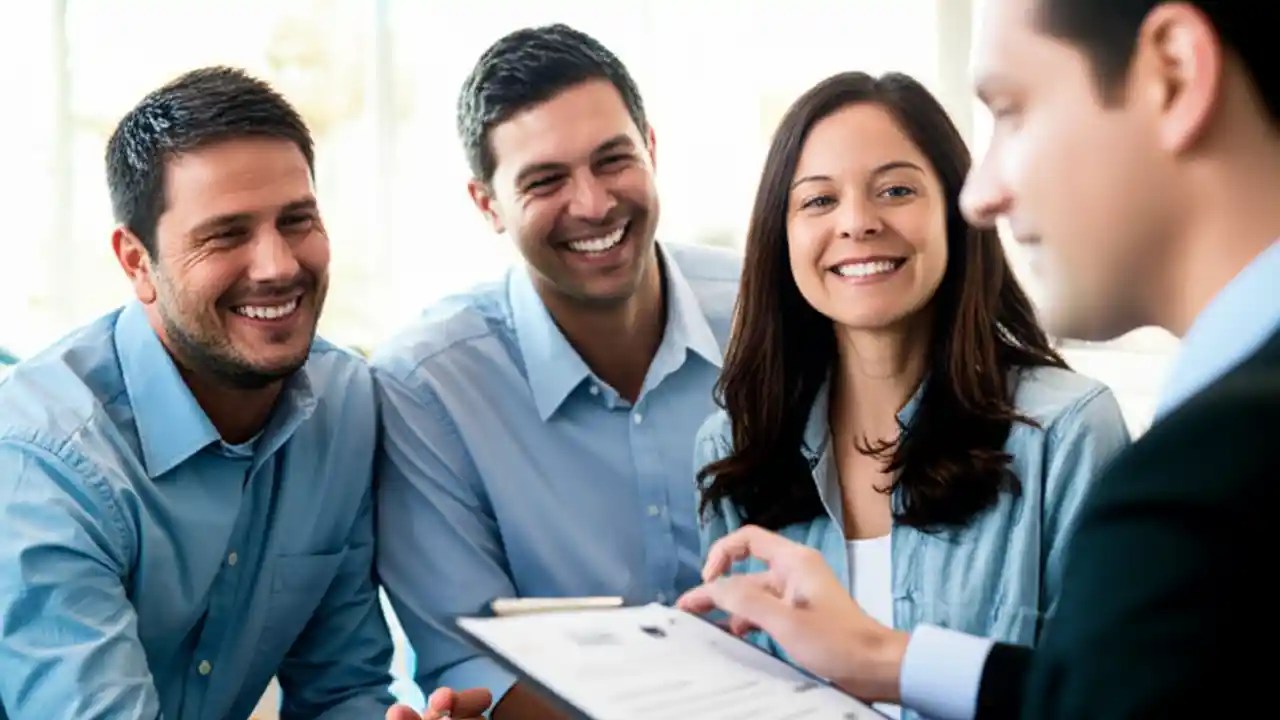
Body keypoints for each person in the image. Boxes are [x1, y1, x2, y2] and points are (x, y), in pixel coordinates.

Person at [678, 0, 1280, 718]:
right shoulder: (732, 448)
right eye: (817, 201)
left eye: (1013, 111)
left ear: (1176, 75)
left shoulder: (1133, 450)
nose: (984, 194)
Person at [0, 66, 486, 720]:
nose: (279, 265)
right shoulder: (41, 465)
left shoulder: (343, 405)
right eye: (226, 234)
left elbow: (342, 691)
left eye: (297, 221)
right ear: (137, 262)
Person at [693, 70, 1130, 719]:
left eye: (896, 190)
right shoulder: (736, 445)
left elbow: (1108, 695)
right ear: (779, 238)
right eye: (818, 201)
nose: (858, 223)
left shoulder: (1067, 430)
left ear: (960, 211)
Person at [373, 23, 741, 720]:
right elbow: (468, 659)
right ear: (488, 205)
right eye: (546, 181)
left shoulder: (771, 313)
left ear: (652, 150)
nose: (594, 203)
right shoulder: (427, 388)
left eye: (613, 161)